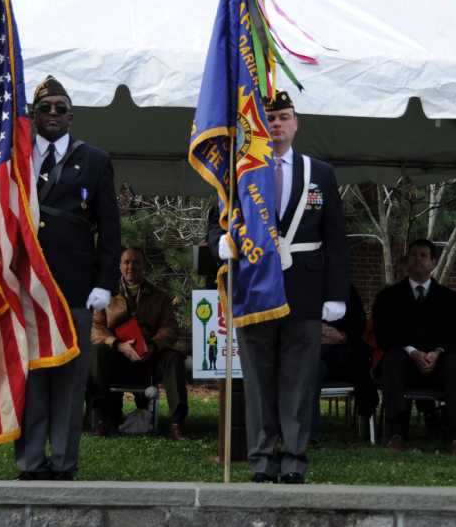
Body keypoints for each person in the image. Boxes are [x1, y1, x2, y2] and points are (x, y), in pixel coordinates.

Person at [209, 90, 349, 484]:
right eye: (269, 118)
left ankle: (293, 459)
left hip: (304, 290)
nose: (277, 125)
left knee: (299, 381)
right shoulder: (241, 169)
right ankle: (261, 458)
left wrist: (336, 293)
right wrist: (218, 243)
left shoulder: (319, 172)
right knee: (258, 380)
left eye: (284, 117)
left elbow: (336, 237)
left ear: (296, 122)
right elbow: (214, 224)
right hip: (256, 290)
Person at [14, 75, 121, 481]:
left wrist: (104, 281)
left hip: (75, 285)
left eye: (61, 108)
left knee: (70, 378)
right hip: (27, 284)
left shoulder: (93, 159)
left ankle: (63, 461)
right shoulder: (17, 155)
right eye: (45, 108)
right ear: (34, 115)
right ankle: (29, 461)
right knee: (34, 374)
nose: (53, 114)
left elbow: (110, 227)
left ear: (71, 115)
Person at [372, 238, 456, 454]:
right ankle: (396, 432)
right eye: (413, 255)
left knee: (455, 364)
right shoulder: (388, 297)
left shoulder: (450, 299)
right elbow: (383, 334)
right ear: (406, 261)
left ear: (434, 262)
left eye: (423, 255)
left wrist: (437, 352)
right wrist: (413, 351)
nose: (417, 260)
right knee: (392, 359)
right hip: (404, 365)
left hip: (439, 365)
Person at [90, 247, 189, 440]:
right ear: (119, 266)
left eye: (136, 262)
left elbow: (170, 328)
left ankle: (177, 422)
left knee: (174, 358)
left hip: (149, 358)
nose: (131, 266)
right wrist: (118, 344)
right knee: (97, 351)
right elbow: (96, 329)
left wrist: (152, 345)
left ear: (144, 267)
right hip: (118, 358)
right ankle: (100, 417)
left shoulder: (159, 297)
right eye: (126, 262)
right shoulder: (105, 296)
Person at [311, 285, 376, 443]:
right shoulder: (301, 286)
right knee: (312, 369)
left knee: (360, 361)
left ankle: (367, 420)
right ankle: (309, 432)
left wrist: (342, 336)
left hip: (343, 353)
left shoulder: (346, 289)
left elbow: (359, 323)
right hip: (311, 354)